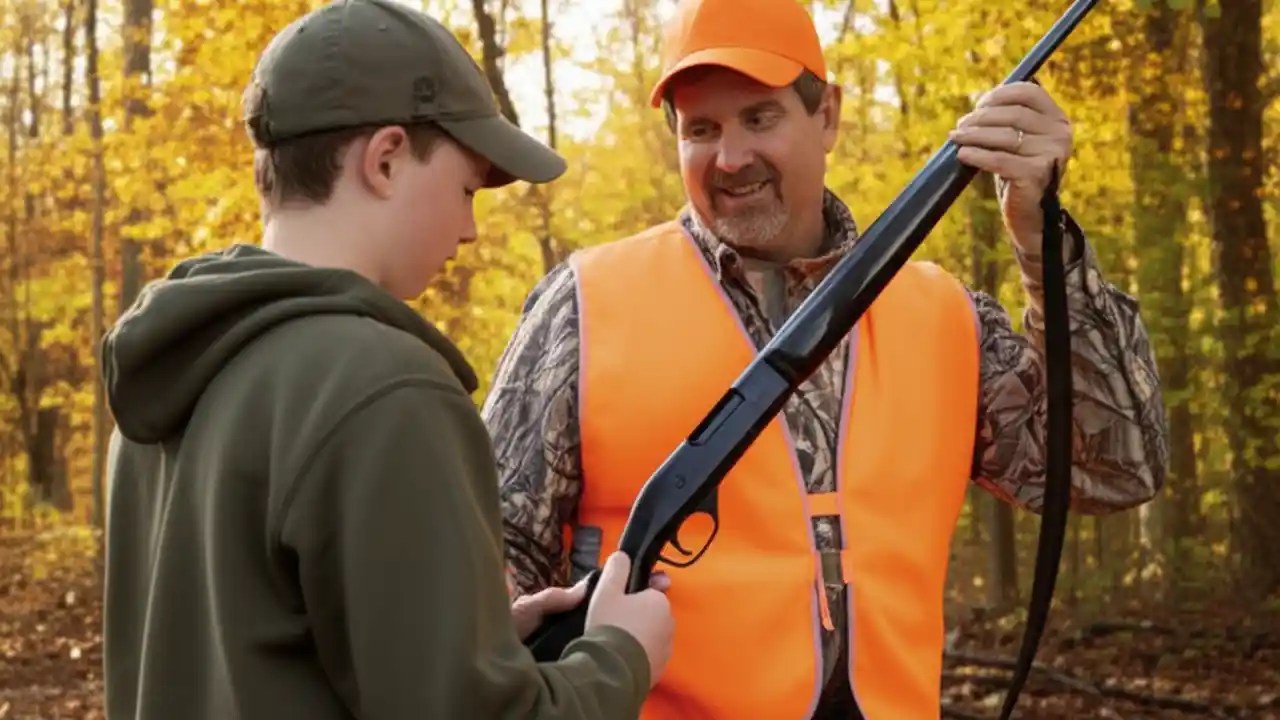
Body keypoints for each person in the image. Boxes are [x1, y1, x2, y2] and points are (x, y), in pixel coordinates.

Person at [483, 0, 1169, 717]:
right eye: (701, 129)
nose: (731, 158)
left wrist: (1042, 238)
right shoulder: (584, 306)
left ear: (829, 116)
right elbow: (488, 558)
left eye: (760, 118)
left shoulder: (942, 314)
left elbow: (1116, 469)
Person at [100, 2, 674, 718]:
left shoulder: (171, 372)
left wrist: (477, 639)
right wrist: (621, 656)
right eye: (466, 190)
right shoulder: (385, 389)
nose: (469, 229)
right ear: (386, 159)